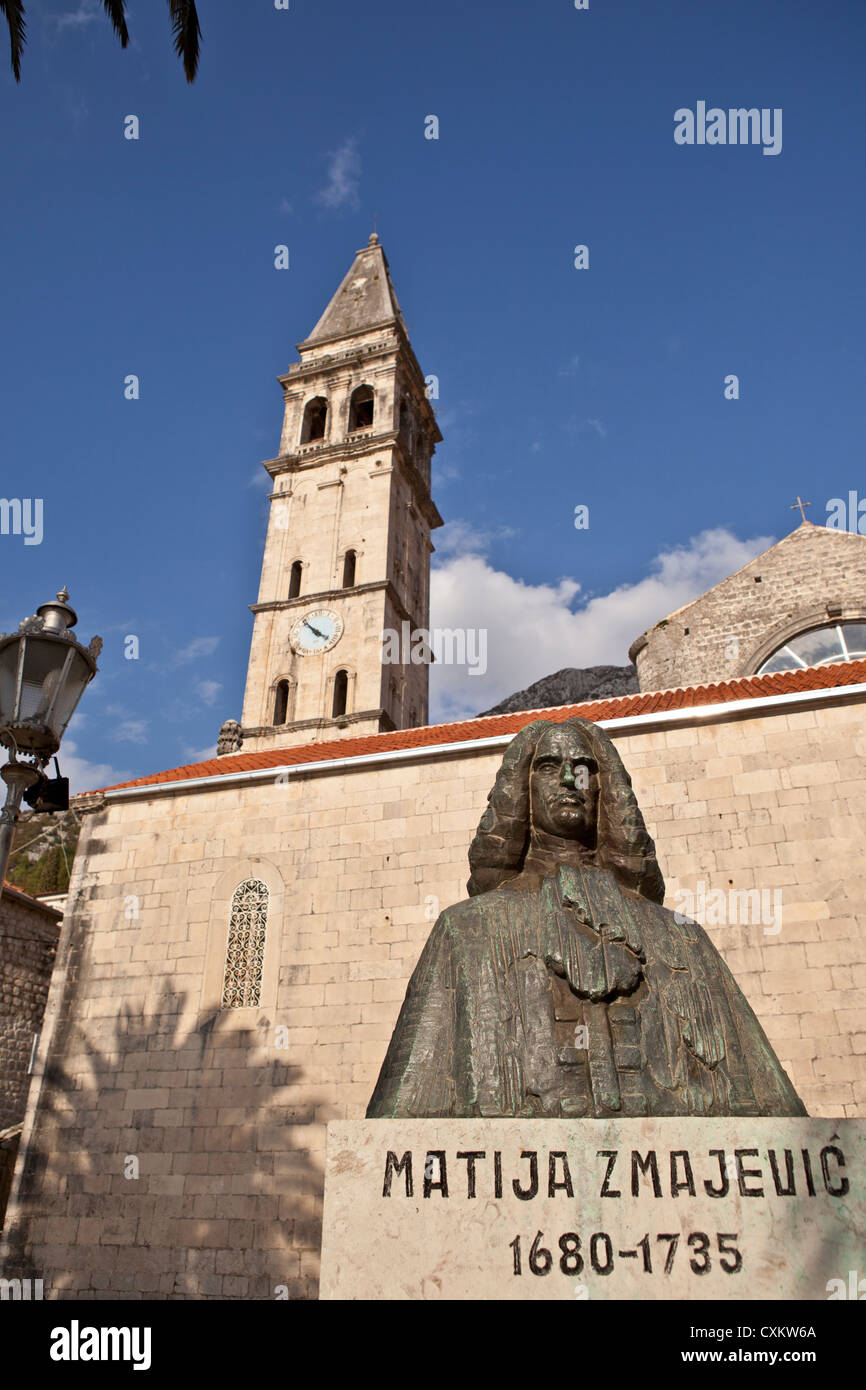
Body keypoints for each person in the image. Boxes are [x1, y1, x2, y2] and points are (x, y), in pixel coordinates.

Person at [367, 717, 806, 1119]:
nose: (568, 779)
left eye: (583, 768)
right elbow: (401, 1119)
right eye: (548, 766)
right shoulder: (464, 930)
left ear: (602, 788)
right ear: (521, 788)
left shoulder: (681, 938)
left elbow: (771, 1108)